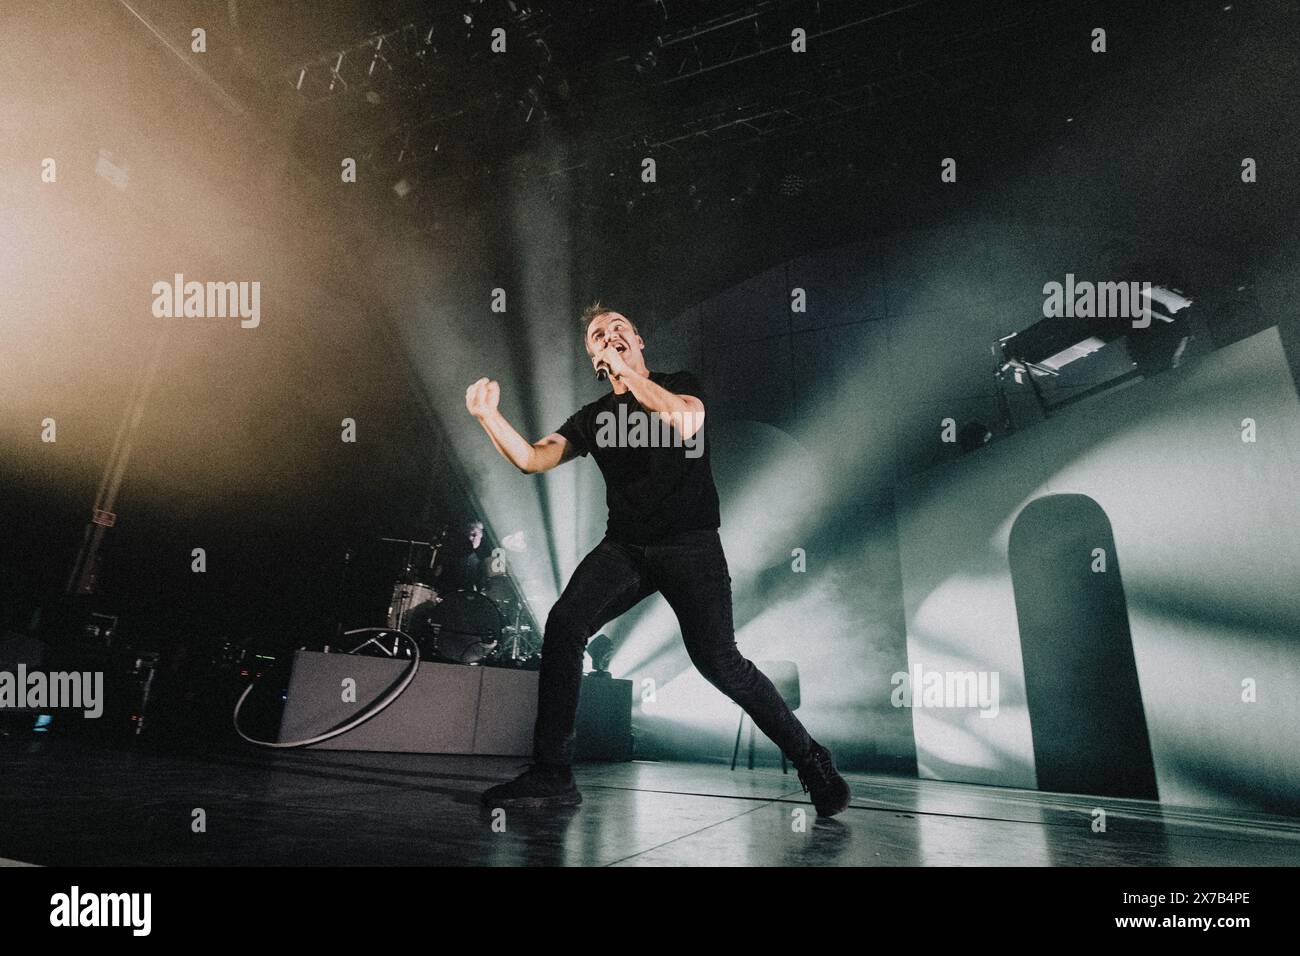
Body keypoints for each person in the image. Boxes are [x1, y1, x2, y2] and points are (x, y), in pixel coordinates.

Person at [465, 302, 850, 816]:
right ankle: (553, 774)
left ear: (638, 340)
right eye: (600, 335)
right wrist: (490, 418)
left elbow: (686, 421)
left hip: (690, 543)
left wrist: (628, 375)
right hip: (625, 548)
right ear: (593, 357)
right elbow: (533, 459)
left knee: (720, 662)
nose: (611, 334)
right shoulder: (593, 417)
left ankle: (811, 759)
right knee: (564, 624)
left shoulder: (679, 384)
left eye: (619, 327)